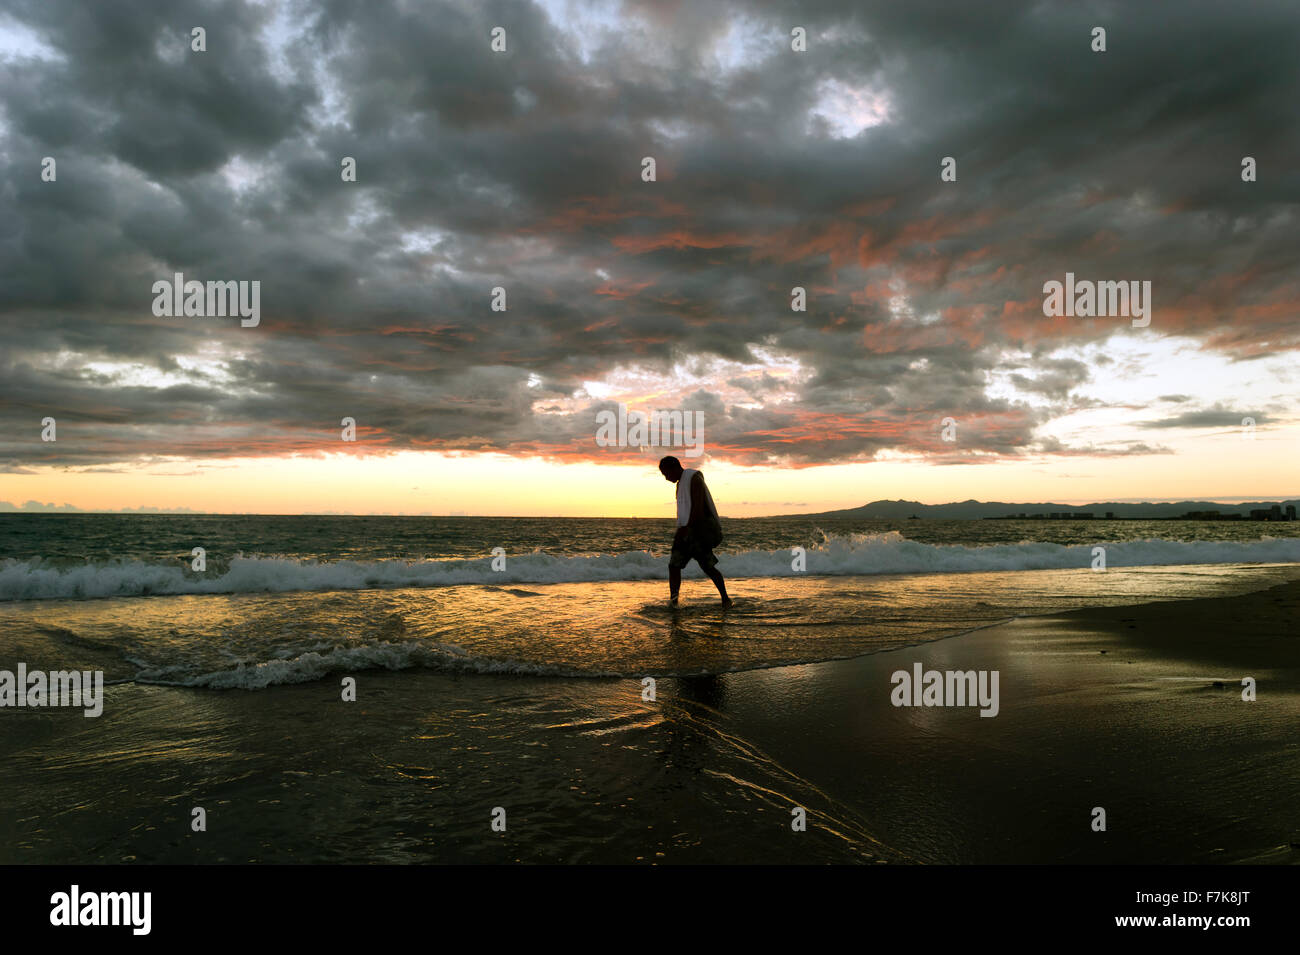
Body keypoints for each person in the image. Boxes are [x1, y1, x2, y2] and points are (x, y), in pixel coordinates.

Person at [658, 455, 731, 607]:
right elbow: (683, 511)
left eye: (666, 474)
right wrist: (681, 530)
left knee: (707, 567)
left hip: (698, 532)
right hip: (685, 530)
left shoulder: (694, 479)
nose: (666, 478)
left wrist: (687, 529)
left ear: (674, 468)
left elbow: (697, 507)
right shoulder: (680, 484)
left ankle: (725, 598)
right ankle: (674, 601)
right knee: (674, 566)